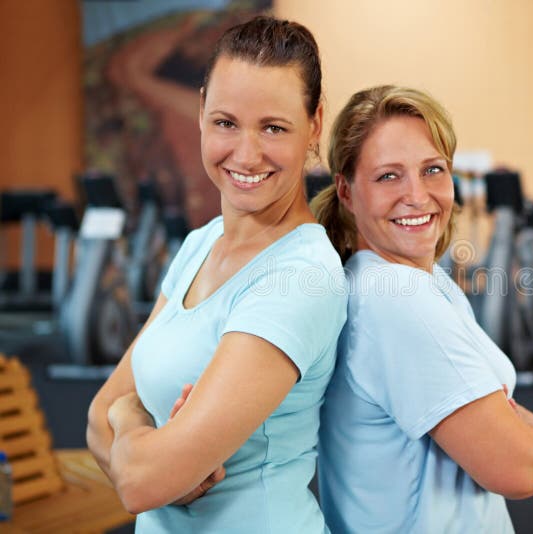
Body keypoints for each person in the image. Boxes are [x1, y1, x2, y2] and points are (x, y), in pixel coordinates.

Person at [86, 16, 347, 533]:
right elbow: (98, 416)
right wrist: (133, 427)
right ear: (201, 108)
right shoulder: (200, 243)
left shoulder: (301, 278)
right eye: (226, 122)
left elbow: (139, 484)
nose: (246, 154)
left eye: (273, 127)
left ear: (315, 124)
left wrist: (130, 425)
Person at [312, 85, 533, 533]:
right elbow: (522, 468)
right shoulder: (396, 298)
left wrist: (504, 417)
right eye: (389, 176)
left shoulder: (418, 284)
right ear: (346, 192)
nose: (418, 195)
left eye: (433, 170)